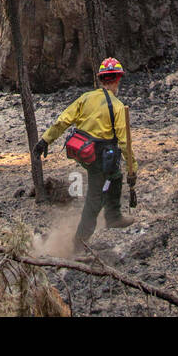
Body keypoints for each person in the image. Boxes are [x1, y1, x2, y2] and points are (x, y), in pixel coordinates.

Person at [34, 57, 136, 250]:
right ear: (117, 80)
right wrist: (134, 169)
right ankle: (79, 242)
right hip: (101, 157)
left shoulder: (86, 98)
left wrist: (45, 141)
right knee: (95, 197)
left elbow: (63, 121)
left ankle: (113, 216)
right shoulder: (117, 107)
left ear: (101, 79)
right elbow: (124, 142)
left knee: (115, 176)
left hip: (85, 153)